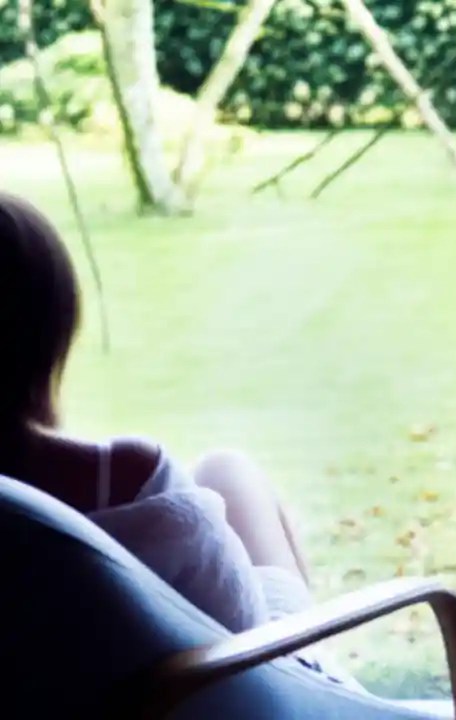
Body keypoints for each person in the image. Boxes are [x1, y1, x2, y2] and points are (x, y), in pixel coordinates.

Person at [0, 192, 355, 685]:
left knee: (220, 474)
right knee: (231, 469)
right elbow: (245, 633)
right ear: (50, 330)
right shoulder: (126, 476)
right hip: (251, 691)